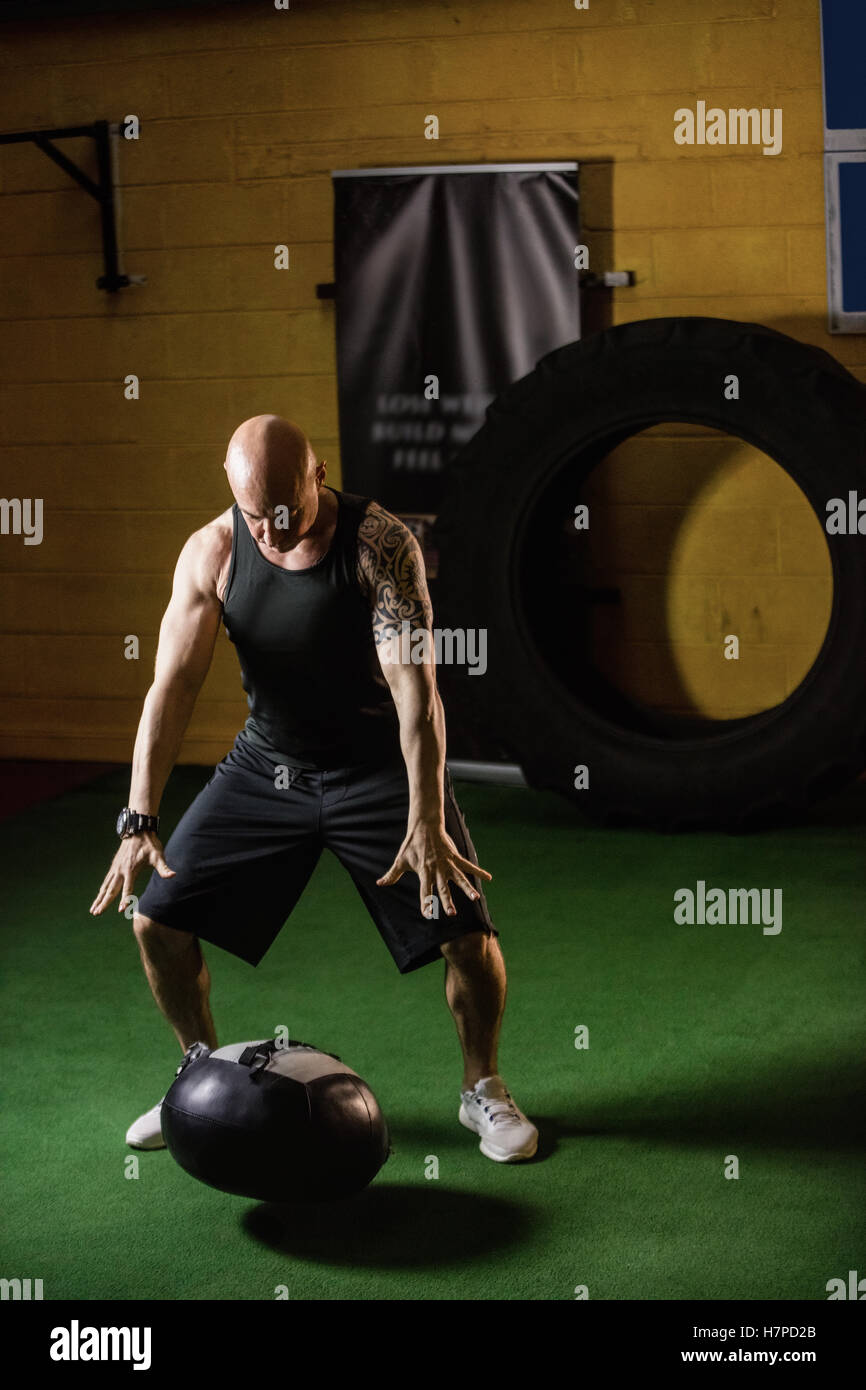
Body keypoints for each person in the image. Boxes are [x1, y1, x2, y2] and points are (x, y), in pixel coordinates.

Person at [90, 414, 537, 1164]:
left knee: (465, 932)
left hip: (378, 769)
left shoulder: (381, 545)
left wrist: (425, 812)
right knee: (156, 921)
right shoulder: (214, 553)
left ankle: (483, 1088)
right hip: (269, 766)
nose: (271, 529)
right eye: (254, 513)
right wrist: (138, 816)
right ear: (231, 493)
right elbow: (171, 687)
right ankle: (199, 1077)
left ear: (319, 476)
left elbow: (416, 693)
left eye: (285, 511)